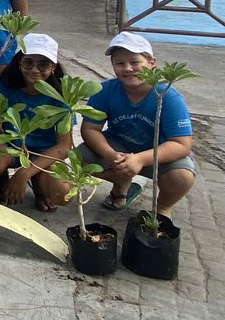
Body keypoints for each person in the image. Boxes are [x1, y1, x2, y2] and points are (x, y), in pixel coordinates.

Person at [79, 32, 195, 216]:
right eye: (120, 63)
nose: (128, 68)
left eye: (135, 62)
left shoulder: (167, 95)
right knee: (81, 156)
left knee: (182, 176)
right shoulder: (104, 90)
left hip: (157, 154)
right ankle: (120, 185)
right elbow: (90, 129)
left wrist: (140, 159)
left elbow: (182, 144)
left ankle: (162, 207)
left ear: (151, 63)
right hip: (118, 148)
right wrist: (111, 155)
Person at [0, 33, 72, 212]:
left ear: (53, 67)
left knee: (63, 193)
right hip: (12, 146)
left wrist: (24, 173)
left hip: (44, 152)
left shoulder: (62, 92)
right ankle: (2, 181)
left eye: (43, 64)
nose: (35, 70)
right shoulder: (2, 84)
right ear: (19, 63)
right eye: (28, 62)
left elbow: (64, 146)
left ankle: (39, 186)